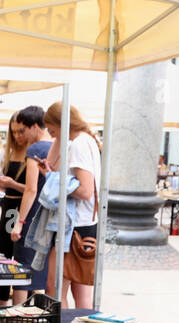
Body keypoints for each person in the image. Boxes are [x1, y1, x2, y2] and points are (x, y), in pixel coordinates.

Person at [42, 101, 101, 310]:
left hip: (73, 226)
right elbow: (53, 164)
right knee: (81, 292)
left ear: (62, 124)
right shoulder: (85, 141)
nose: (51, 136)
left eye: (52, 130)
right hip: (85, 225)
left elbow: (85, 190)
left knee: (55, 289)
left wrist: (56, 183)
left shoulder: (78, 144)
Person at [0, 109, 44, 281]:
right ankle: (3, 300)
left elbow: (33, 189)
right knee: (2, 255)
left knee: (22, 259)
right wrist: (1, 184)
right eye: (13, 132)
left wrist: (12, 184)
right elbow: (11, 188)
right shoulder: (11, 152)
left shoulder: (33, 153)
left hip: (24, 209)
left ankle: (21, 298)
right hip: (8, 207)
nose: (17, 136)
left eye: (21, 131)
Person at [11, 114, 54, 305]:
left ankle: (16, 317)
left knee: (22, 272)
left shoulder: (35, 149)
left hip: (33, 214)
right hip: (51, 216)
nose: (23, 135)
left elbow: (31, 189)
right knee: (44, 272)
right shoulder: (57, 147)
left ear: (35, 127)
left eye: (23, 129)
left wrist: (19, 223)